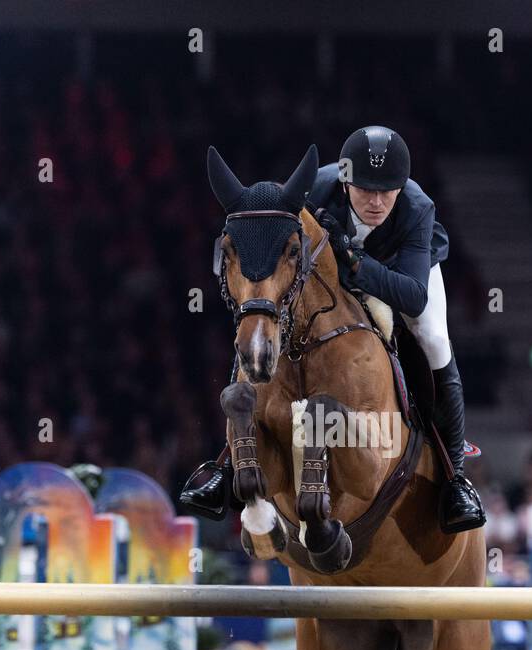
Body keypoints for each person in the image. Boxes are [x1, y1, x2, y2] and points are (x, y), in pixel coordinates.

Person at [179, 126, 485, 534]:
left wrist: (353, 259)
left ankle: (454, 479)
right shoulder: (313, 192)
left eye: (387, 191)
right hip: (333, 277)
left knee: (432, 339)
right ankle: (230, 464)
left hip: (402, 271)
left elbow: (412, 297)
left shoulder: (416, 208)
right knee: (269, 321)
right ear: (345, 182)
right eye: (365, 190)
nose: (377, 202)